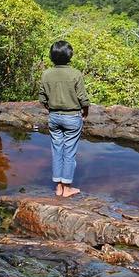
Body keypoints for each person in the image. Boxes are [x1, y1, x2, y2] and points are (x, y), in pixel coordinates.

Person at [39, 40, 90, 197]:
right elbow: (83, 99)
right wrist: (85, 112)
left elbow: (42, 98)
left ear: (52, 56)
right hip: (72, 117)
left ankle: (58, 187)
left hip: (54, 117)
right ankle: (66, 188)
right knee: (69, 152)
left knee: (57, 151)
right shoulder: (75, 74)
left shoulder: (46, 74)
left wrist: (51, 109)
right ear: (70, 56)